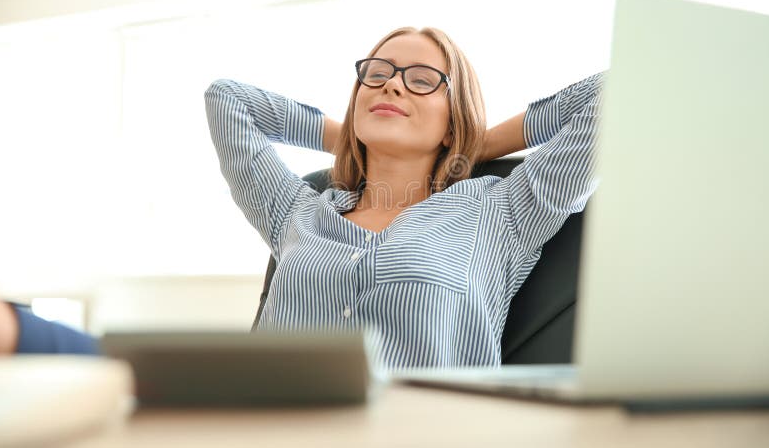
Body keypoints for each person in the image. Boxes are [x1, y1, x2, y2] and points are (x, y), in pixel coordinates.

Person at [205, 26, 605, 369]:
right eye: (376, 75)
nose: (392, 84)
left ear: (454, 119)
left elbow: (620, 90)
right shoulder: (295, 211)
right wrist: (349, 139)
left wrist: (475, 144)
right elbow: (227, 99)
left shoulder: (503, 212)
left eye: (421, 79)